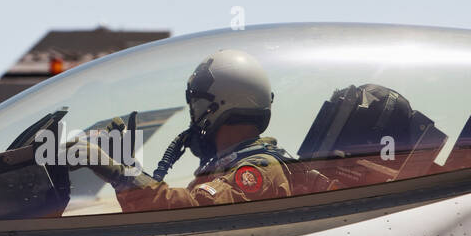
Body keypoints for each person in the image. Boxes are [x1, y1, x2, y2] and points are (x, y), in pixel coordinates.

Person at [89, 49, 319, 211]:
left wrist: (121, 176)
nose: (195, 120)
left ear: (220, 106)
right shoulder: (224, 168)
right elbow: (158, 218)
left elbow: (189, 212)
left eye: (198, 107)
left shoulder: (259, 170)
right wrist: (130, 172)